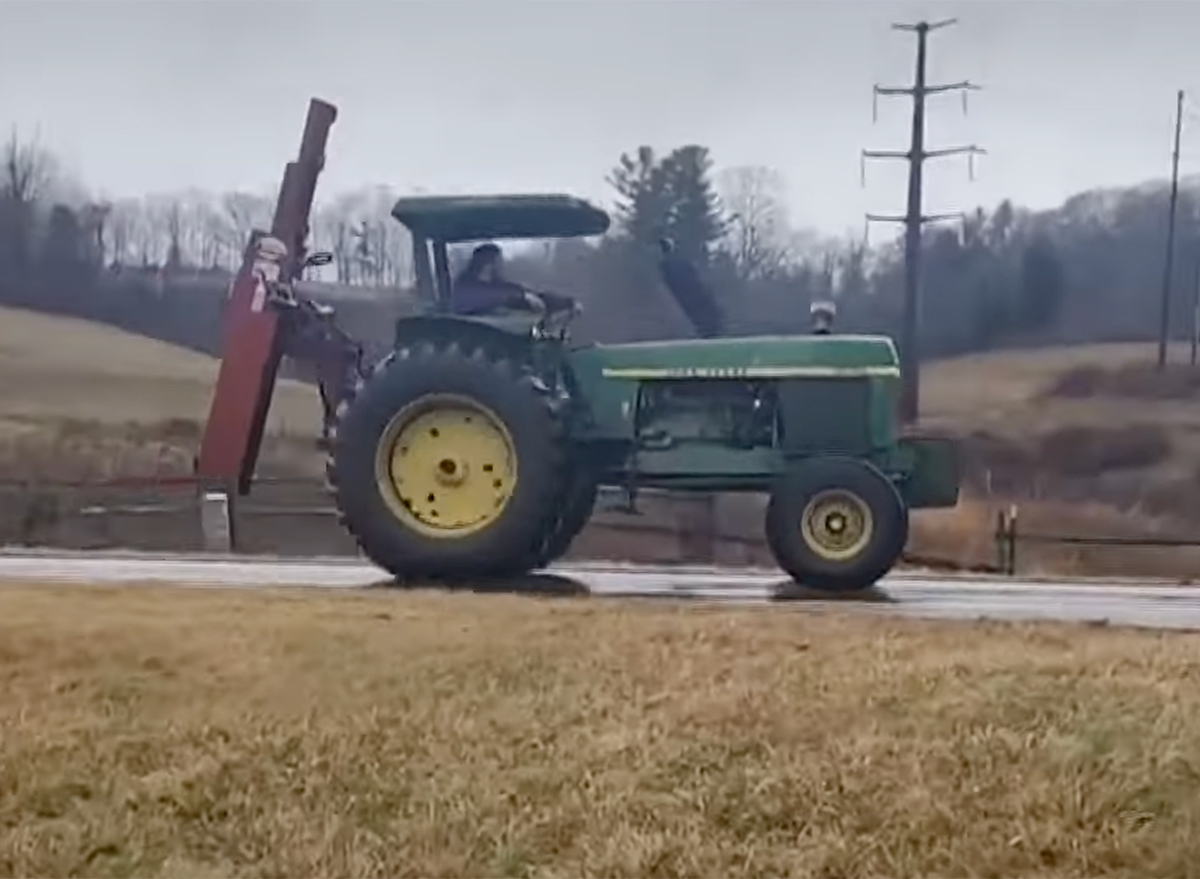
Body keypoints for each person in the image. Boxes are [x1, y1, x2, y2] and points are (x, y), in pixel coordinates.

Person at [452, 242, 575, 316]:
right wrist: (520, 298)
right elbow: (474, 301)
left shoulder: (504, 287)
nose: (501, 265)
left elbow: (534, 295)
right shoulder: (463, 288)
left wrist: (567, 303)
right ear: (487, 263)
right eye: (497, 261)